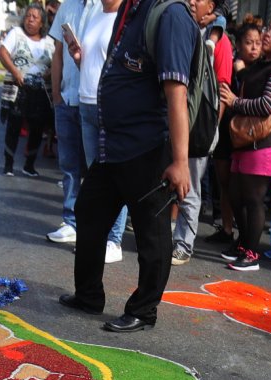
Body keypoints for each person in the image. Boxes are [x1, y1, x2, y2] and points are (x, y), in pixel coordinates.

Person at [59, 0, 197, 332]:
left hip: (147, 148)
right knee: (89, 212)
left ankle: (143, 310)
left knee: (152, 236)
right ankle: (89, 296)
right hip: (112, 147)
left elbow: (176, 92)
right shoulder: (132, 9)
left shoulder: (170, 14)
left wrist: (180, 161)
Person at [216, 17, 271, 271]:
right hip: (246, 141)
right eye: (268, 28)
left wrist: (235, 102)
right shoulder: (263, 63)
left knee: (253, 199)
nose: (267, 34)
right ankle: (243, 243)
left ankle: (251, 253)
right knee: (236, 194)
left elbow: (268, 105)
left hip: (265, 143)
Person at [71, 0, 130, 259]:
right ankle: (97, 238)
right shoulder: (96, 16)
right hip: (86, 102)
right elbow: (91, 63)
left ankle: (114, 241)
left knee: (113, 177)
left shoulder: (125, 18)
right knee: (95, 178)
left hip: (107, 104)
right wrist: (77, 57)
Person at [170, 0, 228, 263]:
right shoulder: (180, 25)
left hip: (199, 126)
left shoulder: (221, 43)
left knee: (190, 187)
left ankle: (184, 243)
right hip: (173, 120)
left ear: (212, 8)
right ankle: (168, 237)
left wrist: (210, 128)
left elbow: (222, 91)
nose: (192, 2)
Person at [45, 0, 87, 239]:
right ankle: (70, 221)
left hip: (91, 100)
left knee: (93, 169)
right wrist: (56, 95)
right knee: (69, 168)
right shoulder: (67, 6)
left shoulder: (105, 6)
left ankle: (92, 225)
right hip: (67, 98)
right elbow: (58, 52)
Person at [0, 2, 53, 173]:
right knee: (14, 125)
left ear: (42, 23)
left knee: (37, 128)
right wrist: (15, 72)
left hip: (40, 91)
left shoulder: (49, 41)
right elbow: (3, 52)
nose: (30, 20)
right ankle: (9, 164)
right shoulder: (16, 33)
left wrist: (48, 73)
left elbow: (57, 62)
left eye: (35, 17)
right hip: (19, 88)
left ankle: (29, 165)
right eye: (28, 16)